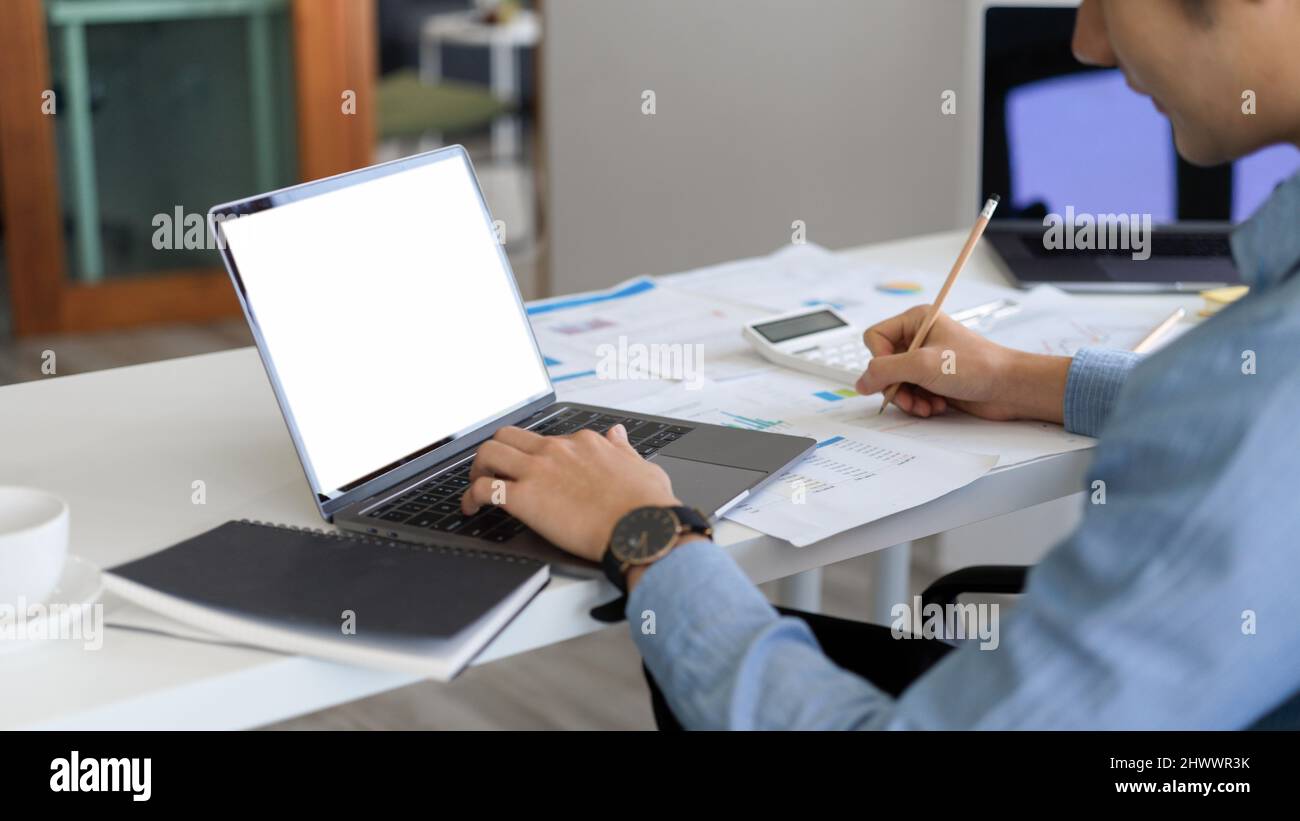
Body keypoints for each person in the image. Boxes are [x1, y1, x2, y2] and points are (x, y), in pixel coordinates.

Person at [459, 0, 1300, 729]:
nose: (1088, 42)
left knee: (686, 639)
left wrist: (646, 535)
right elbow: (1223, 415)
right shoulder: (1248, 384)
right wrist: (1016, 378)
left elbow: (1238, 421)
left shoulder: (1256, 397)